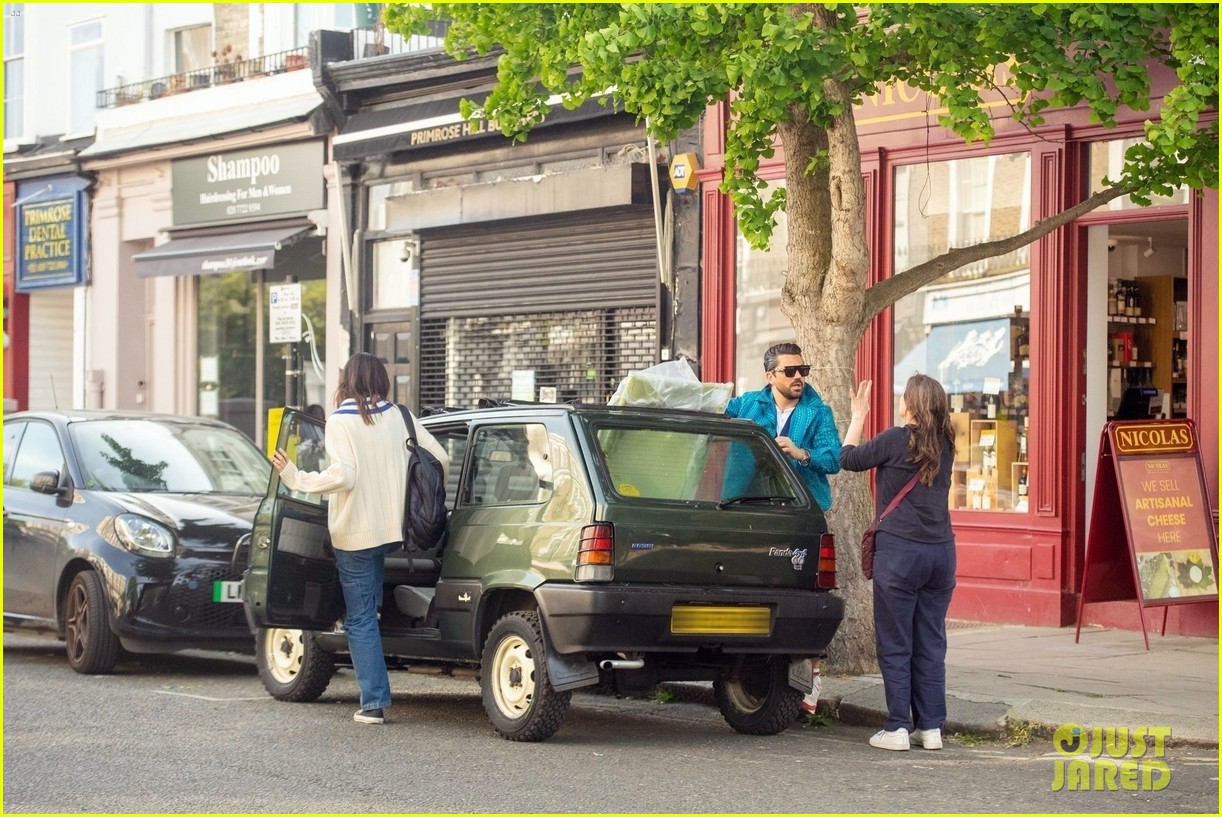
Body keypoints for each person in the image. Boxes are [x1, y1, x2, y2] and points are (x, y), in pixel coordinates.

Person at [271, 352, 449, 726]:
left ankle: (373, 703)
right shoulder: (402, 416)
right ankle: (377, 639)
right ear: (381, 380)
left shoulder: (340, 421)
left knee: (361, 618)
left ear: (347, 381)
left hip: (355, 533)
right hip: (396, 531)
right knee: (369, 604)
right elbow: (441, 458)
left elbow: (346, 476)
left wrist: (297, 478)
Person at [841, 375, 956, 751]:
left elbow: (849, 459)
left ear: (912, 404)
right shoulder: (947, 443)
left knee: (896, 642)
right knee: (931, 642)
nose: (899, 402)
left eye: (903, 397)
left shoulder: (894, 439)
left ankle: (897, 728)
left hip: (900, 555)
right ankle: (931, 727)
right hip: (941, 553)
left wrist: (858, 415)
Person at [725, 341, 841, 715]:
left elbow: (834, 457)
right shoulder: (747, 405)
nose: (798, 378)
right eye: (790, 372)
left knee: (808, 592)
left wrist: (802, 454)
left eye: (803, 371)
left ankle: (814, 673)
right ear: (770, 375)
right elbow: (708, 414)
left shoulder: (817, 412)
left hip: (801, 513)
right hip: (752, 510)